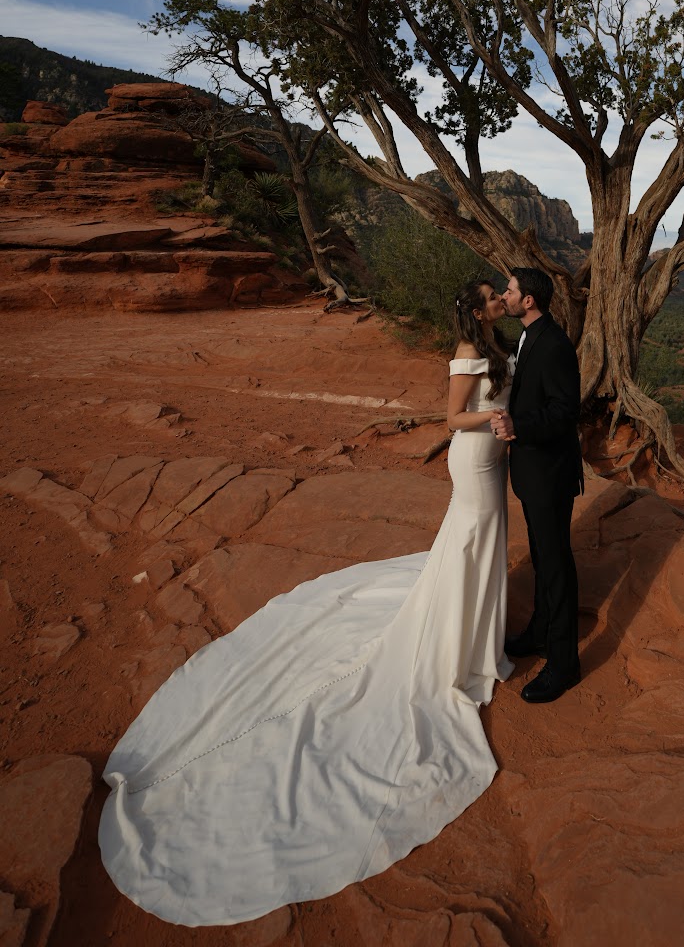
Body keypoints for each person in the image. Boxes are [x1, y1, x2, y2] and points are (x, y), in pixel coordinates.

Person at [98, 280, 515, 926]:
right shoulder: (467, 346)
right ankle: (457, 643)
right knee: (466, 541)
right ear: (475, 306)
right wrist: (491, 418)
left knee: (479, 544)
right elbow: (450, 417)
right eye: (492, 295)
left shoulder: (494, 342)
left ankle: (471, 636)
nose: (498, 301)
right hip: (473, 457)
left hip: (491, 459)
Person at [491, 266, 583, 703]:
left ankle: (564, 664)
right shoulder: (530, 337)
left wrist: (518, 424)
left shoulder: (556, 345)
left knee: (556, 564)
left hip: (549, 474)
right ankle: (541, 632)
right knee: (545, 559)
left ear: (528, 300)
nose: (505, 296)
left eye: (509, 291)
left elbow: (565, 411)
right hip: (533, 473)